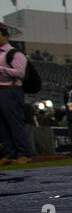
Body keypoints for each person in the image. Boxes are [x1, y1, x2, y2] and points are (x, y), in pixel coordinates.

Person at [0, 23, 33, 164]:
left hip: (11, 90)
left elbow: (20, 73)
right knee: (2, 124)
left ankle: (23, 154)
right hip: (2, 90)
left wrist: (1, 70)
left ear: (6, 36)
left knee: (15, 123)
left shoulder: (15, 53)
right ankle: (9, 153)